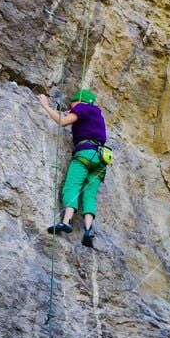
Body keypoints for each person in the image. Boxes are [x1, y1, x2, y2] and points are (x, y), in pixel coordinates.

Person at [39, 88, 109, 248]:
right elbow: (81, 120)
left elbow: (63, 122)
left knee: (72, 186)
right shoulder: (97, 114)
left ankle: (66, 222)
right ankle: (88, 231)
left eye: (72, 104)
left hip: (85, 154)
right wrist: (72, 112)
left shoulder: (81, 108)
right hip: (101, 159)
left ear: (78, 101)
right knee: (89, 196)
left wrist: (45, 106)